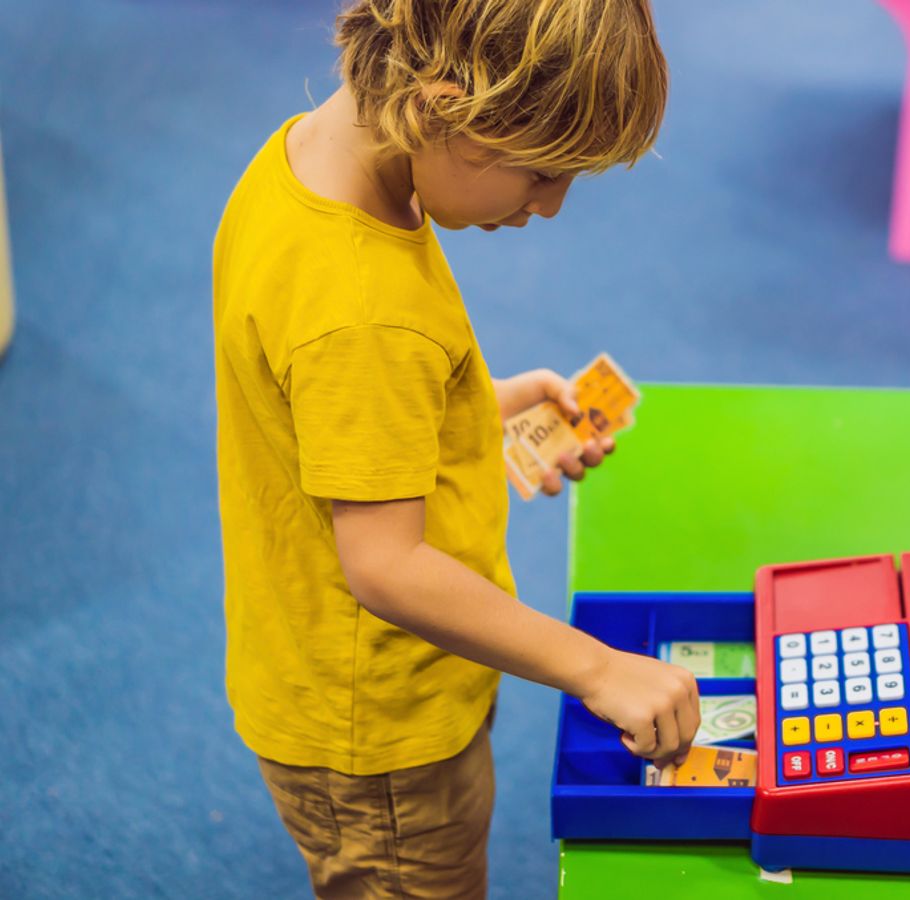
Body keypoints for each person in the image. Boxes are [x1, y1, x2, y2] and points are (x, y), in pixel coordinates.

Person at [210, 2, 696, 895]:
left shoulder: (309, 160)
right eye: (544, 175)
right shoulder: (364, 309)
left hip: (327, 670)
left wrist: (482, 405)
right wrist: (595, 667)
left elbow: (326, 408)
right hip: (382, 733)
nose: (549, 207)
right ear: (442, 110)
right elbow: (387, 568)